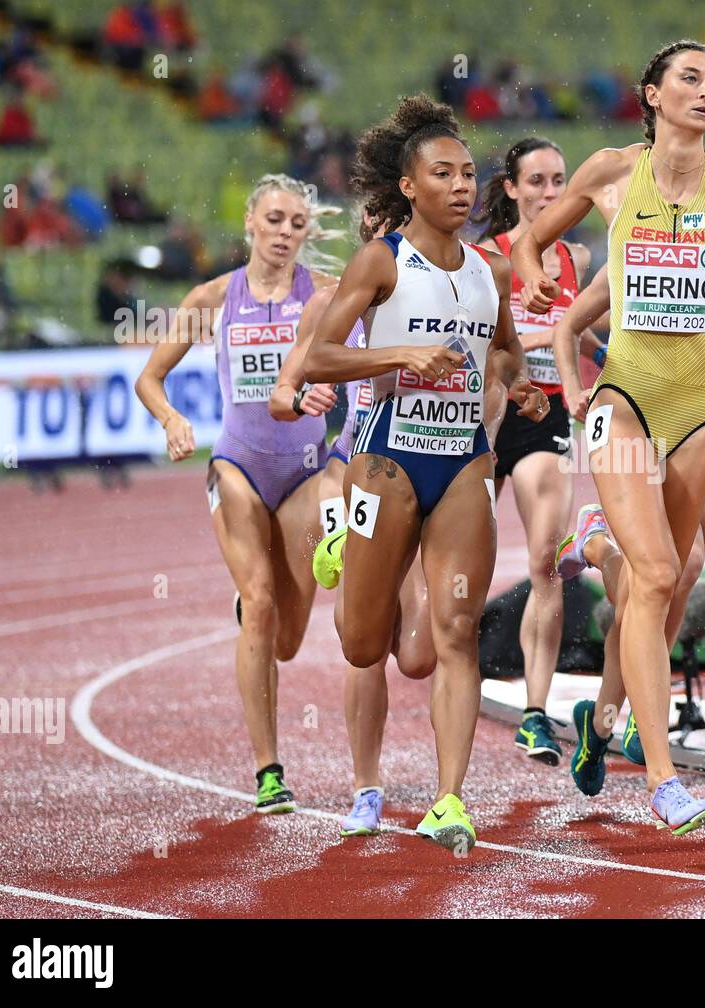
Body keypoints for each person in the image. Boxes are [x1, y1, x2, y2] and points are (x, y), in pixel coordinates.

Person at [510, 40, 705, 834]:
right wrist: (535, 263)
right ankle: (662, 780)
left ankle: (604, 719)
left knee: (663, 586)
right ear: (651, 93)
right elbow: (529, 238)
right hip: (625, 394)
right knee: (653, 571)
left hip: (699, 411)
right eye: (690, 79)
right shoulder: (614, 171)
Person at [305, 95, 545, 854]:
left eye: (470, 173)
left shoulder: (492, 267)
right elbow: (316, 359)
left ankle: (448, 801)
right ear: (409, 186)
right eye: (442, 173)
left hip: (466, 461)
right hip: (385, 463)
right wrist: (397, 356)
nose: (461, 185)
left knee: (456, 633)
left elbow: (504, 349)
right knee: (361, 644)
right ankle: (368, 785)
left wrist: (519, 380)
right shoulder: (381, 262)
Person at [134, 173, 346, 813]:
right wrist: (172, 421)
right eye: (275, 219)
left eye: (297, 223)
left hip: (306, 471)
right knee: (259, 604)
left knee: (288, 637)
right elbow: (151, 378)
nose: (285, 233)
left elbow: (361, 365)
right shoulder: (213, 297)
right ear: (251, 223)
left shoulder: (328, 296)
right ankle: (268, 771)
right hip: (237, 469)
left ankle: (265, 610)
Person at [269, 210, 436, 838]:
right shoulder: (335, 302)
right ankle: (366, 789)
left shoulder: (450, 286)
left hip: (423, 471)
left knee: (419, 655)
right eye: (377, 221)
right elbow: (285, 390)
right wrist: (300, 397)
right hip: (354, 469)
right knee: (361, 645)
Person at [472, 137, 598, 764]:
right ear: (513, 189)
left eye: (560, 181)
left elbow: (590, 335)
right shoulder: (481, 259)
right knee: (448, 580)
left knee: (546, 559)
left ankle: (534, 714)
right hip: (478, 423)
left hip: (544, 417)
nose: (552, 194)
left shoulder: (575, 257)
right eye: (539, 182)